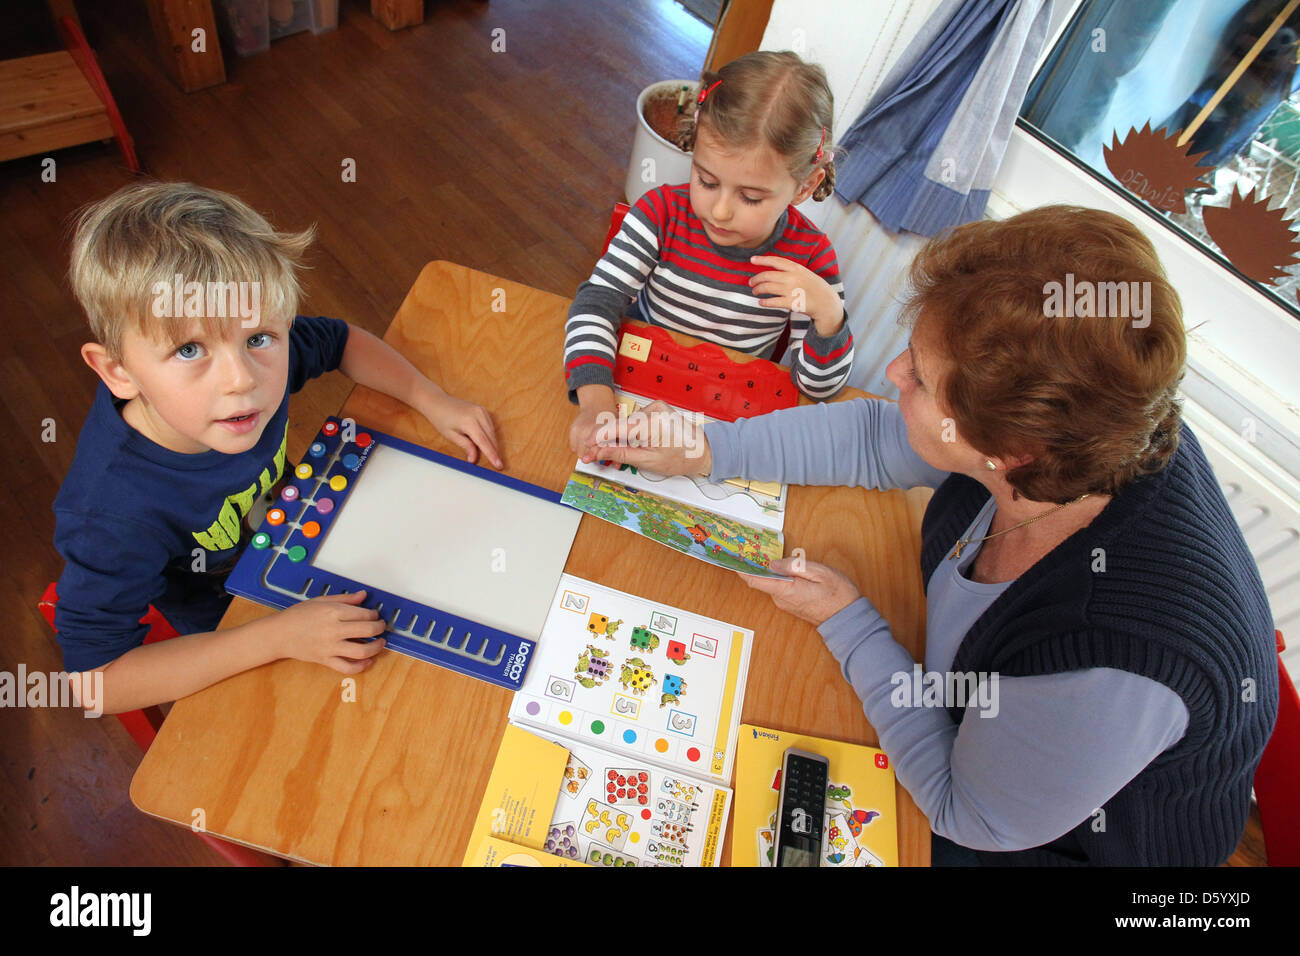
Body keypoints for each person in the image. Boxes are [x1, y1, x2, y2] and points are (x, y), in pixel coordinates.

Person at [595, 205, 1279, 866]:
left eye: (919, 377)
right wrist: (704, 448)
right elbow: (873, 437)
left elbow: (967, 812)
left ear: (1009, 451)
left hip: (1054, 846)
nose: (892, 373)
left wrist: (850, 624)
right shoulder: (1094, 430)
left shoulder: (1111, 658)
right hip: (988, 736)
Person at [54, 181, 502, 715]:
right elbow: (93, 683)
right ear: (117, 371)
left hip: (309, 541)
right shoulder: (109, 513)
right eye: (189, 349)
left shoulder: (250, 367)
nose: (241, 379)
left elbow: (341, 340)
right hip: (236, 630)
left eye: (259, 338)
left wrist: (434, 400)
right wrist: (277, 638)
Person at [566, 50, 854, 462]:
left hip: (721, 421)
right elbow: (596, 302)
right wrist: (595, 401)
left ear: (805, 186)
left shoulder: (809, 257)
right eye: (705, 179)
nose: (719, 211)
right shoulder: (661, 214)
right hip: (628, 383)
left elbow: (816, 388)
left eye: (750, 197)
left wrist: (830, 316)